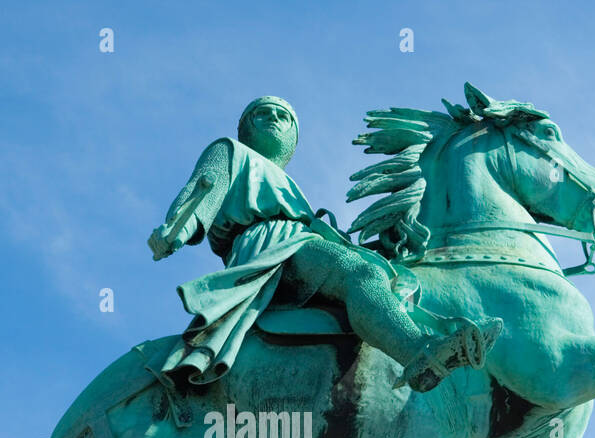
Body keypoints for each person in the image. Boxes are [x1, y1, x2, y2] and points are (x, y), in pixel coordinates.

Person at [147, 95, 501, 391]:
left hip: (299, 243)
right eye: (262, 113)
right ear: (245, 128)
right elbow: (201, 191)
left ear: (292, 137)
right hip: (270, 246)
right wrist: (176, 230)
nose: (273, 117)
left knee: (379, 275)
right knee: (360, 273)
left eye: (283, 116)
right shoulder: (231, 152)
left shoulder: (287, 184)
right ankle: (419, 353)